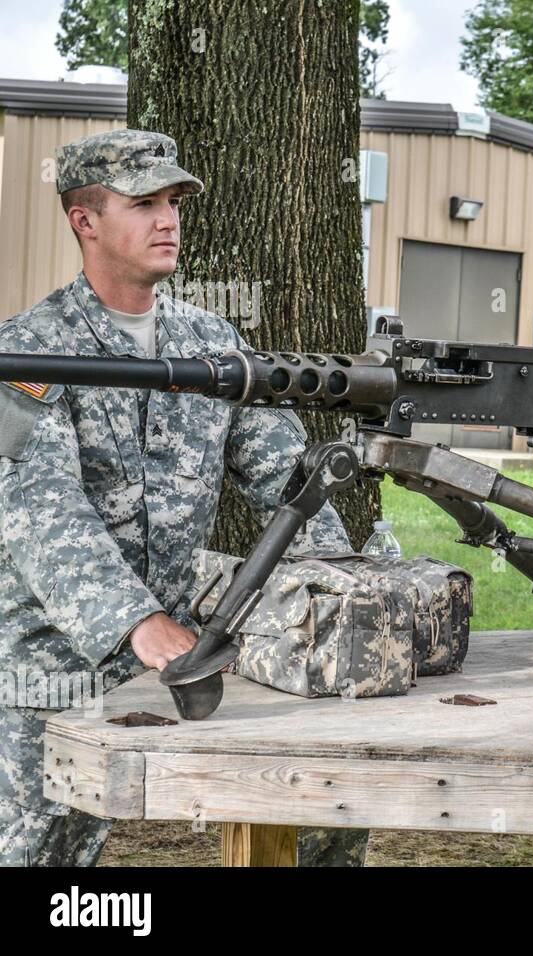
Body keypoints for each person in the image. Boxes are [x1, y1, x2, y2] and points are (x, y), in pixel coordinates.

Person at [0, 129, 369, 866]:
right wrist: (139, 624)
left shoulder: (211, 343)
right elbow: (39, 514)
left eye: (173, 201)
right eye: (144, 203)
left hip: (184, 641)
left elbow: (288, 481)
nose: (168, 219)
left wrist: (352, 590)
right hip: (51, 656)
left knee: (333, 796)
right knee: (38, 854)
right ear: (85, 220)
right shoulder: (29, 351)